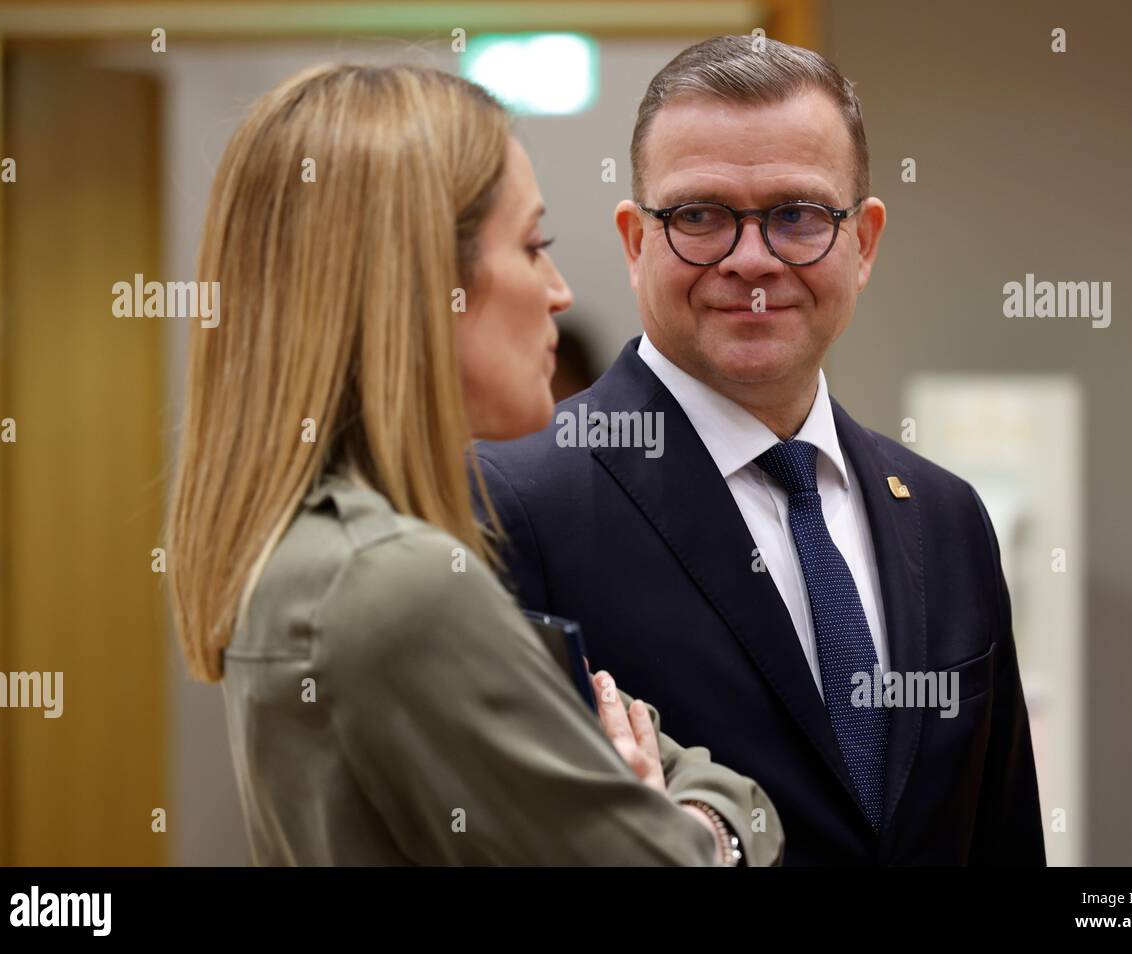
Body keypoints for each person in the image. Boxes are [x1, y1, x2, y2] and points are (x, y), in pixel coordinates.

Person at [164, 62, 783, 866]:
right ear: (420, 282)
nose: (559, 290)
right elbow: (711, 834)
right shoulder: (395, 584)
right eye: (533, 246)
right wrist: (705, 829)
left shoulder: (318, 558)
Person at [476, 36, 1046, 865]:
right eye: (699, 216)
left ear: (866, 242)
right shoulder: (513, 508)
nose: (751, 261)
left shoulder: (946, 516)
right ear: (636, 243)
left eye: (797, 216)